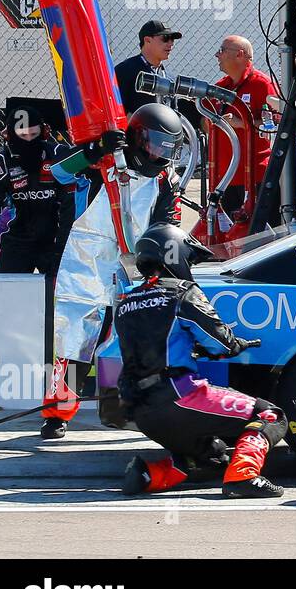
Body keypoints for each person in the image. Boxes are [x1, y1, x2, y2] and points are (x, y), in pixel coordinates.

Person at [41, 102, 187, 439]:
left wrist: (159, 258)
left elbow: (169, 222)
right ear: (138, 138)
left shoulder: (167, 179)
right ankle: (57, 412)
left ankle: (129, 409)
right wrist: (94, 150)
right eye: (155, 145)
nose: (160, 154)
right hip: (86, 261)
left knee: (130, 339)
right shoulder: (105, 160)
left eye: (167, 148)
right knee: (72, 340)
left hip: (134, 265)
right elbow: (58, 173)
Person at [117, 223, 286, 499]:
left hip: (140, 409)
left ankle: (148, 474)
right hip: (179, 396)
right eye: (190, 259)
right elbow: (222, 343)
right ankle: (243, 477)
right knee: (270, 415)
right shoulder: (181, 292)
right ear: (174, 254)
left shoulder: (126, 301)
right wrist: (239, 344)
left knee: (214, 456)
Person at [0, 104, 79, 276]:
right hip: (17, 239)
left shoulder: (58, 155)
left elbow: (70, 208)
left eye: (33, 134)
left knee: (65, 287)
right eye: (22, 135)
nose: (28, 140)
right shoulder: (1, 164)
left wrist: (62, 250)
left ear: (43, 133)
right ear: (9, 136)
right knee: (3, 289)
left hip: (56, 240)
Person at [205, 36, 279, 225]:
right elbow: (204, 121)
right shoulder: (220, 87)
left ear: (239, 54)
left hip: (254, 176)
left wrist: (243, 123)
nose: (217, 55)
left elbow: (276, 125)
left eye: (222, 50)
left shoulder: (262, 84)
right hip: (226, 178)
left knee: (260, 230)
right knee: (231, 233)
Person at [114, 20, 183, 117]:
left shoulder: (169, 78)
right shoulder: (124, 71)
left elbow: (174, 115)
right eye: (165, 38)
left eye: (172, 39)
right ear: (147, 40)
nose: (171, 44)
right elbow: (116, 112)